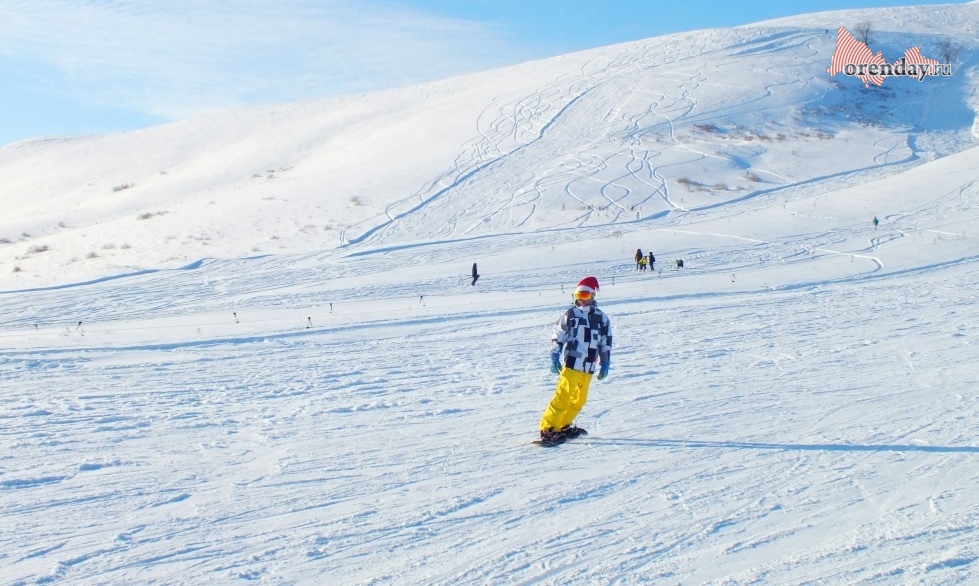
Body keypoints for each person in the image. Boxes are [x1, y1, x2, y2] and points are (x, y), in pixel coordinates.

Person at [539, 276, 612, 444]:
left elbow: (605, 342)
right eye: (578, 296)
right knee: (563, 395)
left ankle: (562, 425)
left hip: (589, 365)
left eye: (584, 295)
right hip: (573, 362)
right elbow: (558, 335)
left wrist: (605, 362)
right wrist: (555, 354)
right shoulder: (571, 314)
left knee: (579, 399)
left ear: (592, 296)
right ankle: (548, 427)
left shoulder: (601, 318)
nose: (581, 300)